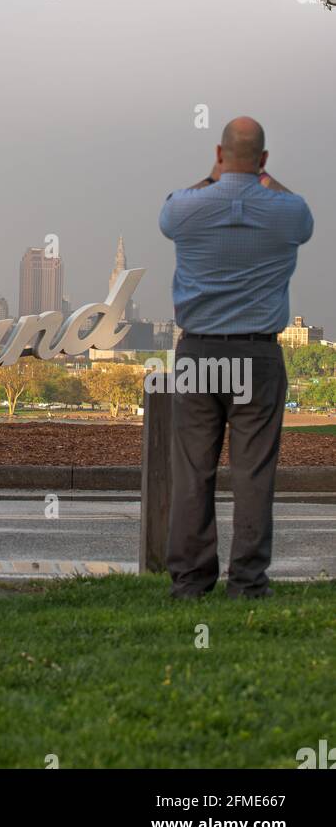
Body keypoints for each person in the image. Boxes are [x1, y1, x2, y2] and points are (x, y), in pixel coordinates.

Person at [158, 118, 313, 599]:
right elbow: (300, 214)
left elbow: (170, 213)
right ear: (264, 160)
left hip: (199, 351)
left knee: (192, 472)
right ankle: (247, 583)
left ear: (219, 153)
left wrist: (215, 176)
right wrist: (261, 179)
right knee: (253, 475)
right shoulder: (289, 213)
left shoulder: (185, 208)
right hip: (258, 353)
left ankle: (190, 581)